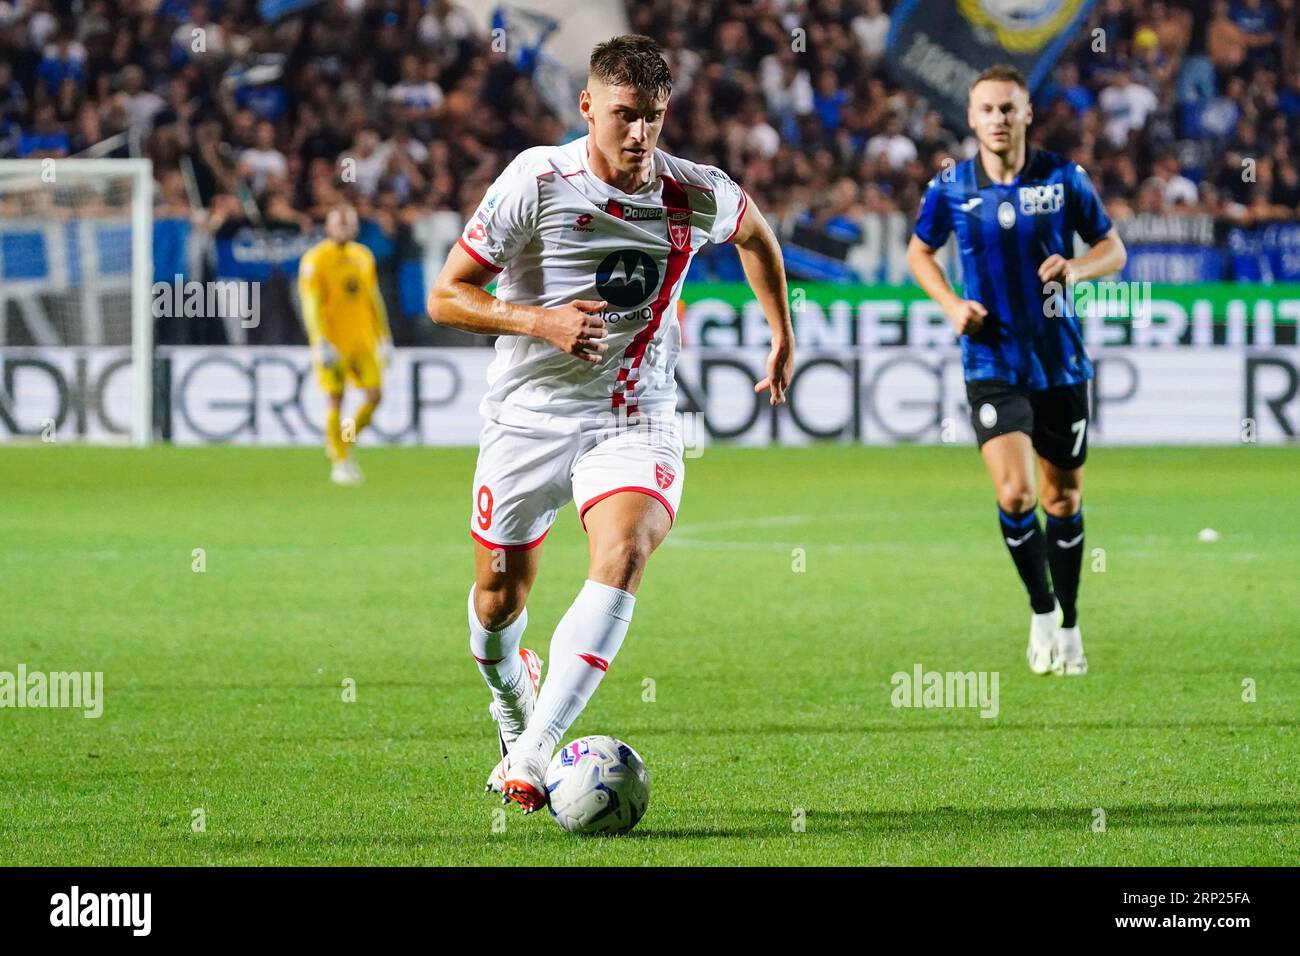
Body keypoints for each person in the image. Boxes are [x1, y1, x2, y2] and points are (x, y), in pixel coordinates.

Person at [427, 35, 794, 811]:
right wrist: (540, 322)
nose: (639, 135)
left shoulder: (694, 193)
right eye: (624, 115)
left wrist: (781, 334)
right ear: (587, 106)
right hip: (528, 415)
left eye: (654, 119)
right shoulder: (536, 179)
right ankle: (510, 691)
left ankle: (533, 751)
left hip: (634, 412)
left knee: (624, 551)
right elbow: (445, 296)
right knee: (497, 604)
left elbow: (757, 234)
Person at [906, 65, 1127, 676]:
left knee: (1063, 497)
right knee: (1016, 492)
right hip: (991, 360)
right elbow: (919, 251)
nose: (999, 119)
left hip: (1059, 362)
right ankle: (1041, 609)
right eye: (987, 110)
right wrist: (952, 305)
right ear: (971, 119)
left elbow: (1113, 246)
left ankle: (1074, 623)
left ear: (1027, 114)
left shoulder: (1063, 178)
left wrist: (1077, 269)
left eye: (1009, 108)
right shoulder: (950, 186)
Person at [298, 205, 392, 484]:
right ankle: (339, 461)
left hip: (363, 342)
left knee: (374, 397)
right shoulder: (315, 260)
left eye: (348, 223)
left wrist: (385, 337)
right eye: (338, 223)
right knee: (335, 400)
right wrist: (319, 341)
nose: (343, 228)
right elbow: (311, 304)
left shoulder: (363, 256)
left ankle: (345, 440)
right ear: (327, 227)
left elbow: (373, 298)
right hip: (333, 343)